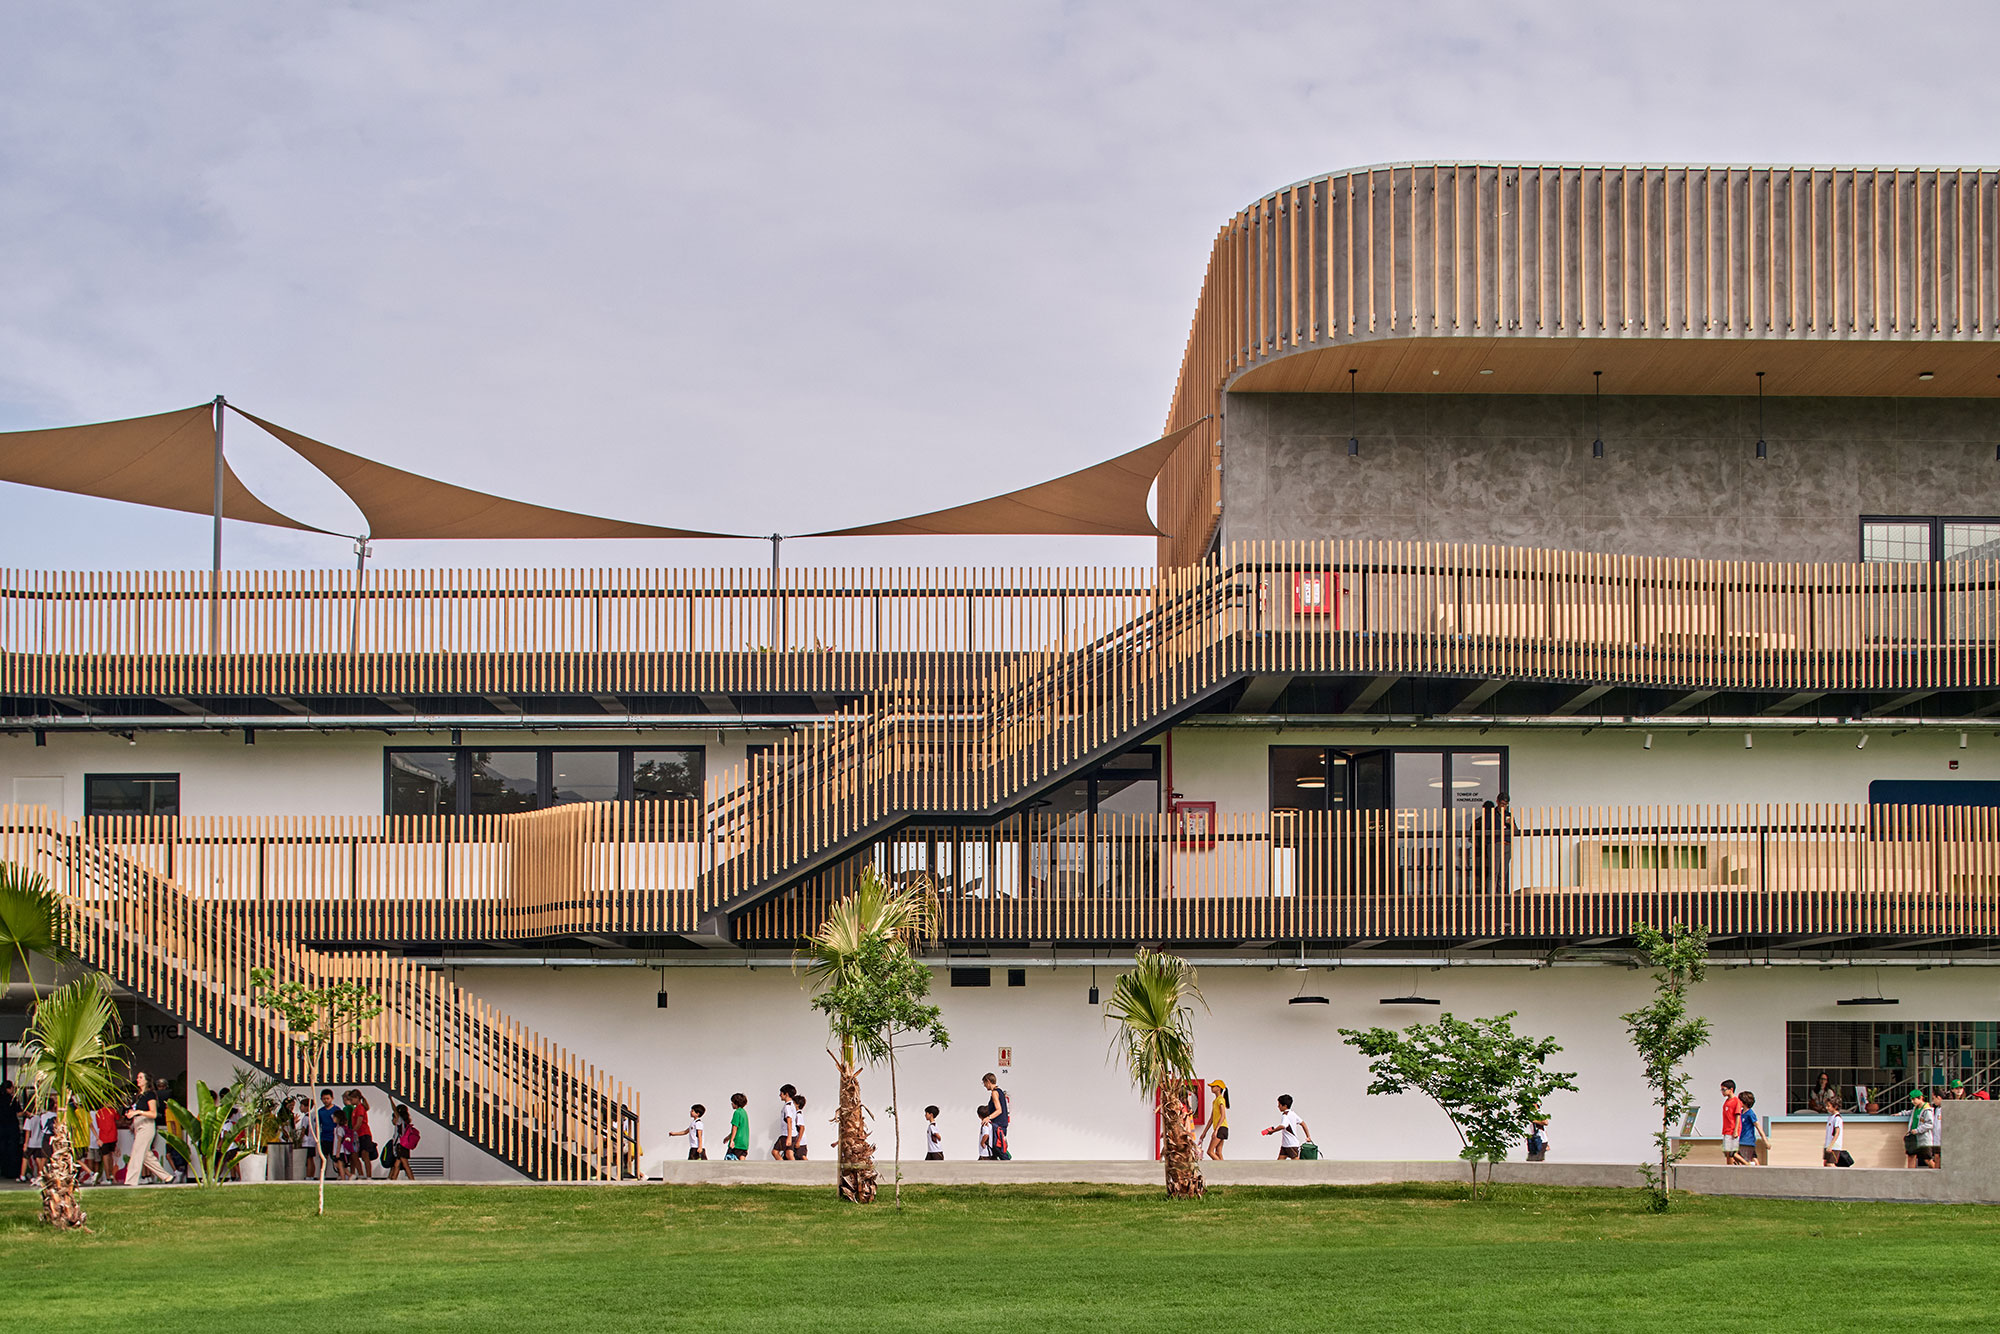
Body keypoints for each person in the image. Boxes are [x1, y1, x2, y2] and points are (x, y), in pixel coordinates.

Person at [125, 1072, 174, 1185]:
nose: (138, 1079)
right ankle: (166, 1177)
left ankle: (130, 1180)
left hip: (146, 1125)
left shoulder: (150, 1095)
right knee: (146, 1154)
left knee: (137, 1152)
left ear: (147, 1080)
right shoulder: (138, 1096)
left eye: (141, 1077)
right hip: (138, 1124)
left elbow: (153, 1113)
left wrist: (139, 1112)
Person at [1262, 1094, 1310, 1160]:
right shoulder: (1293, 1114)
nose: (1278, 1106)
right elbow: (1303, 1124)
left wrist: (1272, 1131)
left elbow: (1283, 1126)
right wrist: (1308, 1136)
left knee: (1297, 1165)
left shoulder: (1285, 1115)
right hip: (1285, 1145)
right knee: (1279, 1164)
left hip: (1291, 1145)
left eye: (1279, 1105)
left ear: (1285, 1106)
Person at [979, 1073, 1011, 1159]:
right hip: (1002, 1125)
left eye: (984, 1083)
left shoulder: (994, 1093)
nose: (985, 1086)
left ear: (988, 1081)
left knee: (998, 1149)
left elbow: (999, 1110)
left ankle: (1009, 1166)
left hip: (998, 1126)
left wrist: (988, 1118)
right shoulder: (1000, 1091)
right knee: (996, 1151)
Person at [348, 1090, 378, 1179]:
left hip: (364, 1134)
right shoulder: (355, 1108)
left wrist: (352, 1132)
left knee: (365, 1155)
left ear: (357, 1098)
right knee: (354, 1155)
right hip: (358, 1135)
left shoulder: (360, 1108)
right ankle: (361, 1174)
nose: (351, 1101)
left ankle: (369, 1176)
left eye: (352, 1099)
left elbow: (359, 1122)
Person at [386, 1105, 420, 1182]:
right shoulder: (404, 1124)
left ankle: (412, 1181)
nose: (392, 1120)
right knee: (396, 1165)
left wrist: (390, 1100)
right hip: (402, 1147)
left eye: (393, 1118)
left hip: (401, 1147)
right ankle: (393, 1180)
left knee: (405, 1165)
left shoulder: (400, 1122)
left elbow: (395, 1110)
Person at [1199, 1079, 1230, 1160]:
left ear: (1219, 1088)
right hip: (1222, 1128)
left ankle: (1222, 1169)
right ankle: (1225, 1170)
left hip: (1221, 1128)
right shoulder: (1215, 1101)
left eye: (1213, 1086)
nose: (1211, 1088)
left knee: (1210, 1152)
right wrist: (1204, 1133)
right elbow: (1211, 1119)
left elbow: (1223, 1116)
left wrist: (1216, 1130)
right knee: (1218, 1152)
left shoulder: (1220, 1099)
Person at [315, 1088, 340, 1177]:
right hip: (324, 1137)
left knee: (337, 1158)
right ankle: (322, 1176)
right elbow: (318, 1125)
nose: (326, 1101)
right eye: (324, 1099)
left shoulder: (336, 1109)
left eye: (327, 1098)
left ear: (332, 1098)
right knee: (323, 1158)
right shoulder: (320, 1111)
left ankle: (341, 1176)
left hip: (335, 1138)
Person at [0, 1078, 21, 1182]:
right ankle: (11, 1171)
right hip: (11, 1127)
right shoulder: (13, 1100)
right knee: (12, 1149)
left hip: (1, 1128)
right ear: (8, 1089)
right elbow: (18, 1112)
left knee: (2, 1148)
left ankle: (3, 1170)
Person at [1719, 1080, 1743, 1165]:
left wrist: (1735, 1130)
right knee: (1727, 1153)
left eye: (1724, 1089)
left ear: (1731, 1089)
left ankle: (1746, 1164)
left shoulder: (1736, 1101)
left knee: (1731, 1152)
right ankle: (1730, 1166)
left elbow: (1737, 1116)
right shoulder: (1727, 1102)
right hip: (1726, 1129)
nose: (1722, 1092)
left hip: (1732, 1129)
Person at [772, 1085, 799, 1161]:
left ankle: (783, 1167)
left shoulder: (787, 1106)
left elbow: (789, 1121)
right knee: (789, 1154)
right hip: (793, 1133)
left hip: (787, 1134)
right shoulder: (792, 1105)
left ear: (786, 1094)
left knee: (775, 1152)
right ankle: (795, 1169)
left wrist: (789, 1137)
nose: (780, 1095)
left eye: (781, 1093)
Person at [1822, 1094, 1849, 1167]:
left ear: (1835, 1106)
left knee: (1831, 1163)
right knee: (1826, 1163)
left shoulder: (1837, 1118)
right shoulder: (1830, 1117)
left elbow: (1837, 1133)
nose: (1827, 1108)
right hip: (1828, 1145)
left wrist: (1831, 1145)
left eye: (1829, 1106)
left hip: (1834, 1146)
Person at [1736, 1091, 1762, 1166]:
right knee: (1752, 1157)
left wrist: (1765, 1140)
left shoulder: (1750, 1113)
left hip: (1747, 1140)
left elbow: (1757, 1126)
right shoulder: (1741, 1113)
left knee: (1737, 1155)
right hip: (1741, 1139)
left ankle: (1753, 1167)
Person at [1905, 1090, 1928, 1169]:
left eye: (1914, 1099)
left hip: (1922, 1137)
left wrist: (1918, 1130)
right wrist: (1900, 1114)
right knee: (1911, 1156)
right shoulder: (1916, 1108)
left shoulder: (1927, 1110)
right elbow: (1910, 1112)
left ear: (1920, 1098)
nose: (1912, 1101)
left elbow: (1930, 1124)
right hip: (1913, 1136)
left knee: (1927, 1159)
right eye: (1911, 1099)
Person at [723, 1093, 750, 1161]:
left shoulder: (737, 1112)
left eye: (732, 1102)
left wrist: (731, 1140)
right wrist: (728, 1137)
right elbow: (740, 1128)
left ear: (736, 1103)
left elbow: (735, 1128)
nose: (731, 1104)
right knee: (742, 1160)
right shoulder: (744, 1112)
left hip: (737, 1142)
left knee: (729, 1160)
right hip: (744, 1142)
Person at [1919, 1091, 1941, 1169]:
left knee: (1935, 1158)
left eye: (1933, 1098)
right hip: (1935, 1138)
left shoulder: (1944, 1109)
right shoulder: (1935, 1109)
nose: (1933, 1101)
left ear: (1939, 1098)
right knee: (1936, 1157)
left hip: (1940, 1138)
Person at [790, 1095, 809, 1160]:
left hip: (801, 1142)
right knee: (797, 1156)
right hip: (799, 1140)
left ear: (797, 1104)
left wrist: (798, 1141)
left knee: (801, 1156)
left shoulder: (798, 1115)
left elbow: (802, 1128)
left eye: (793, 1103)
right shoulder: (796, 1114)